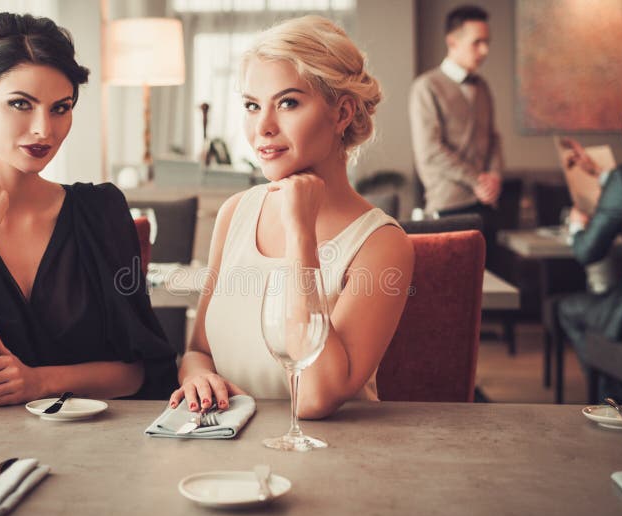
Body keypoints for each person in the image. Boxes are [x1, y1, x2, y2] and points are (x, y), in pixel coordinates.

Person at [0, 13, 177, 408]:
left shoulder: (101, 210)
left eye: (61, 108)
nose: (44, 128)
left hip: (102, 451)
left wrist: (39, 382)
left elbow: (141, 371)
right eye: (21, 104)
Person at [169, 16, 414, 419]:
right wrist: (197, 378)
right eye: (252, 105)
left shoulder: (381, 244)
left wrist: (300, 232)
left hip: (334, 461)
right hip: (224, 456)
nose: (262, 127)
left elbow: (316, 398)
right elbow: (199, 351)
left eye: (287, 103)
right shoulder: (235, 213)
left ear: (342, 114)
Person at [557, 89, 622, 401]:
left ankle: (616, 398)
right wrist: (602, 175)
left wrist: (577, 226)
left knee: (568, 309)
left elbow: (588, 252)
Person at [408, 5, 502, 261]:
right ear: (452, 41)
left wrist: (494, 175)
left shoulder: (482, 87)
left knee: (487, 292)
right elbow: (430, 151)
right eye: (477, 43)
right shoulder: (426, 87)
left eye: (487, 42)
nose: (485, 51)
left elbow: (493, 138)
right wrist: (477, 181)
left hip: (486, 205)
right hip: (448, 205)